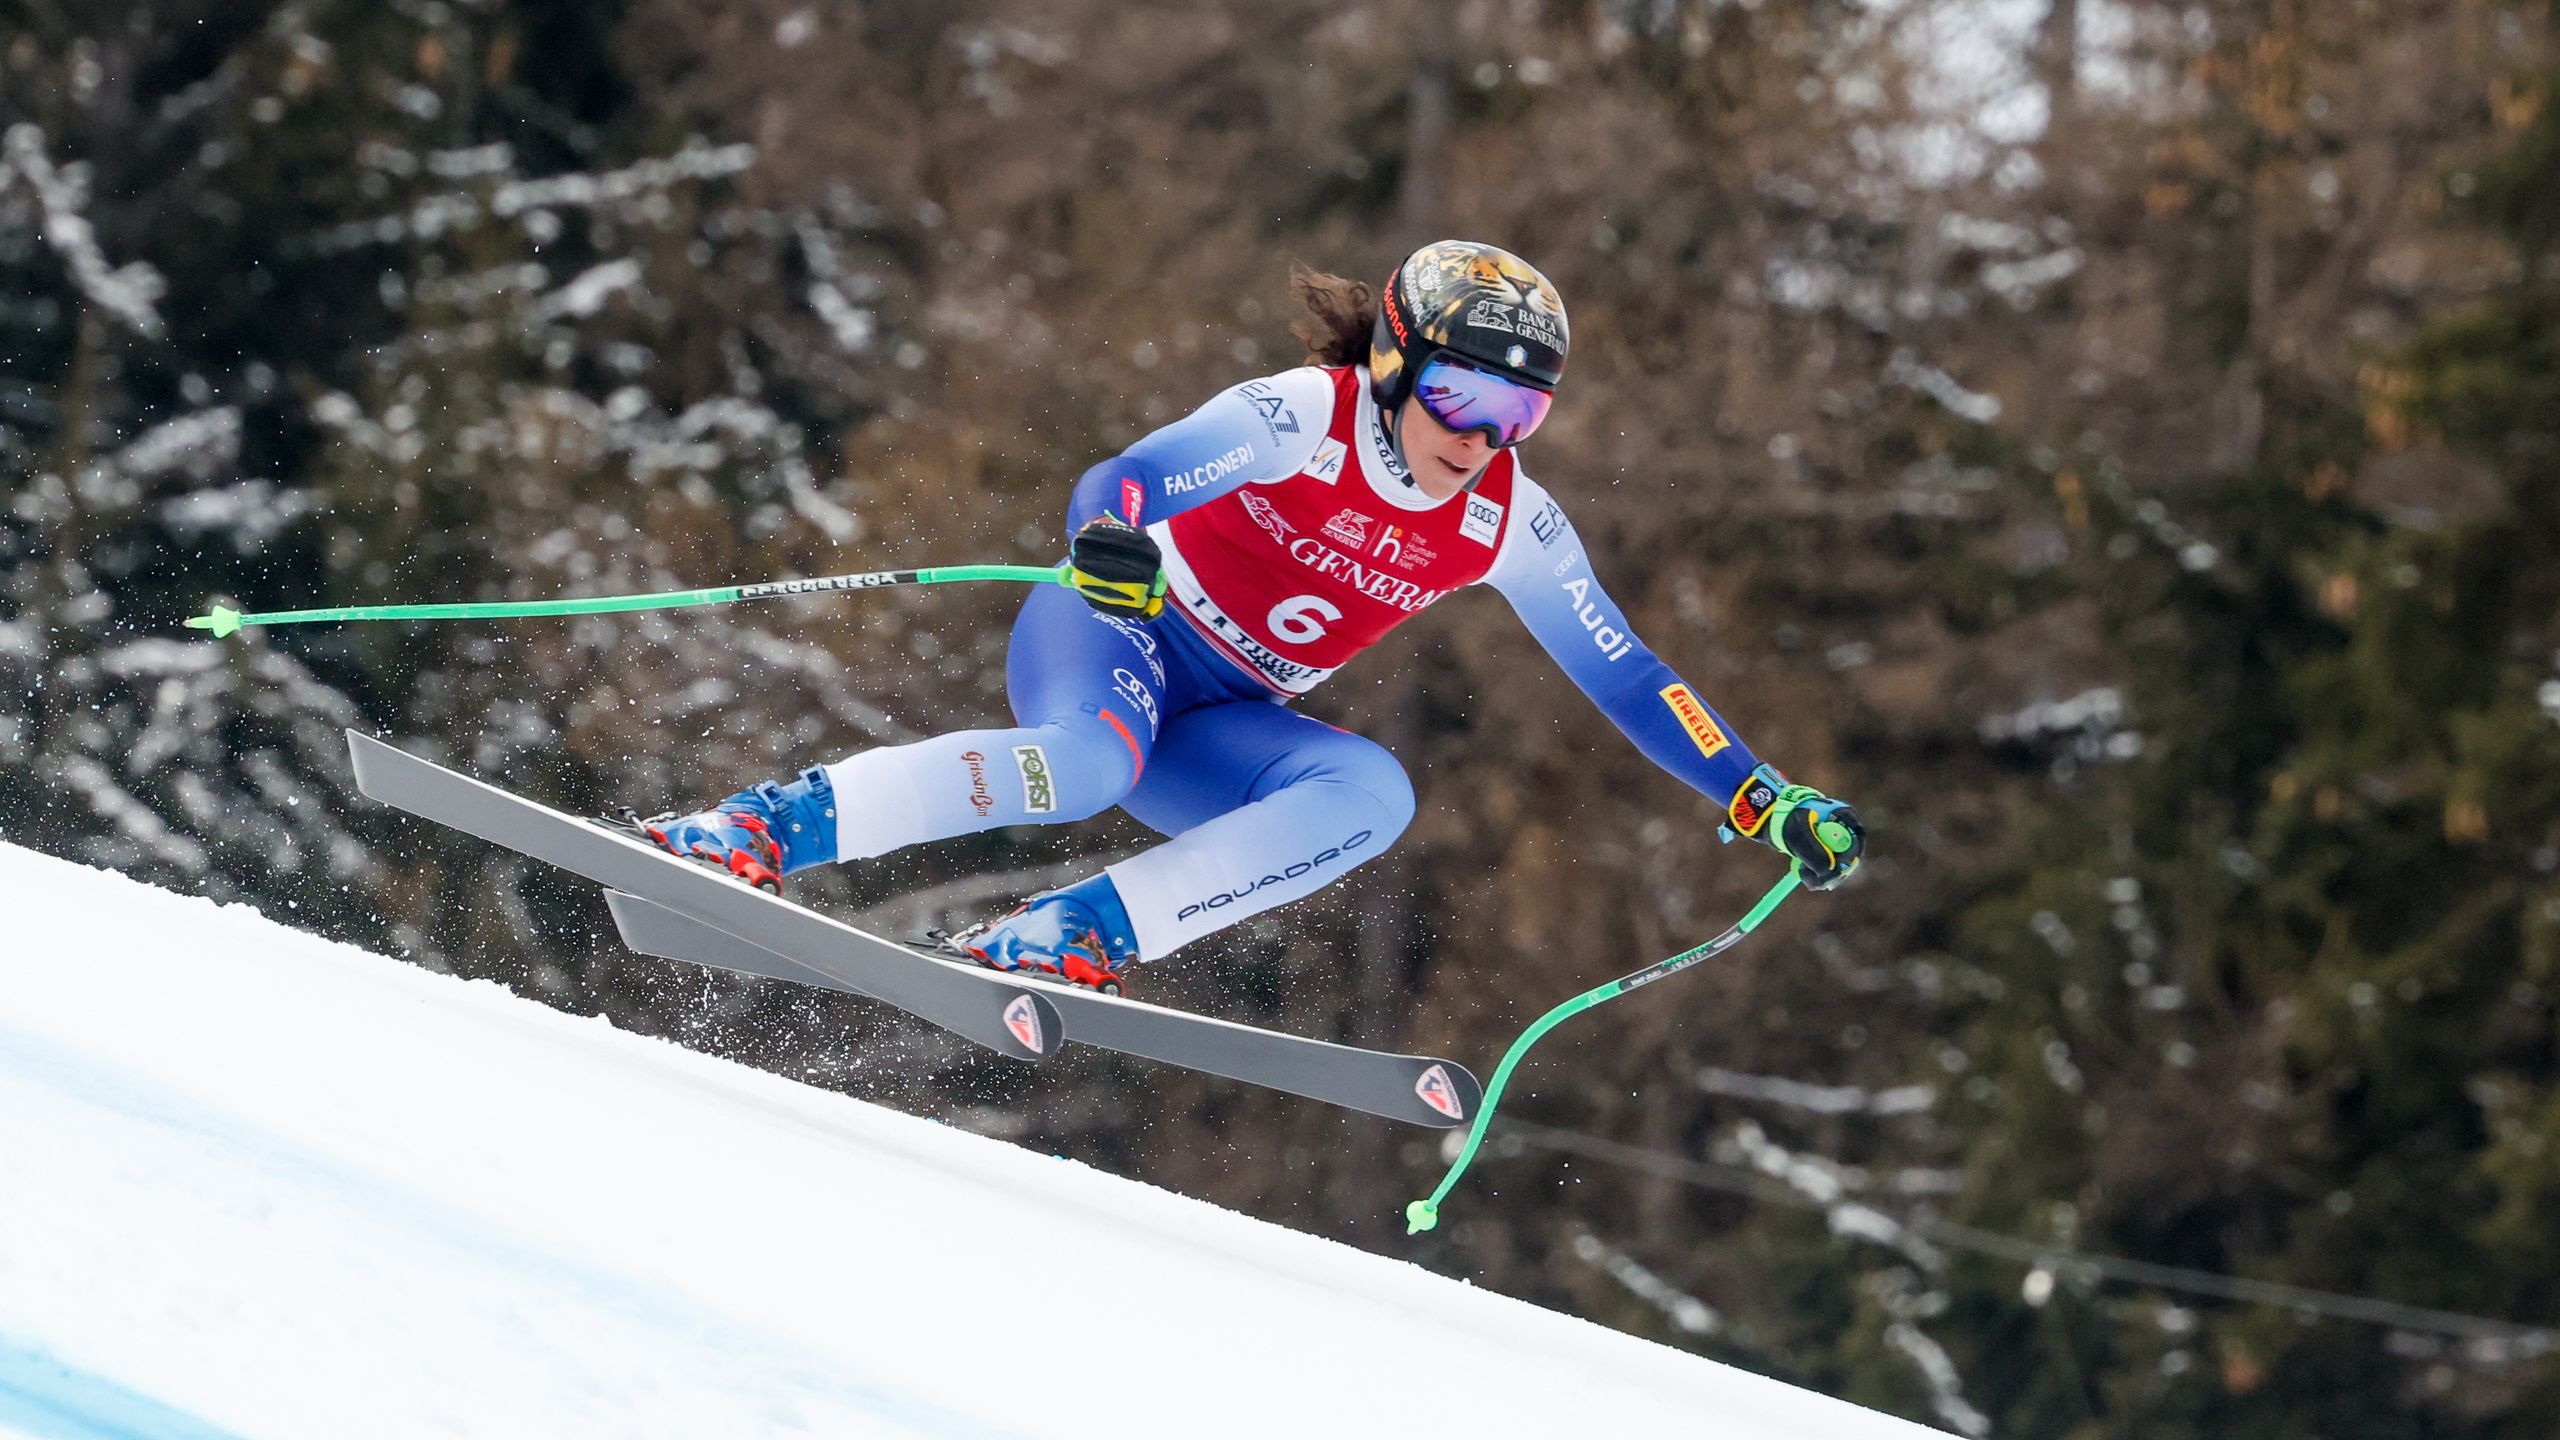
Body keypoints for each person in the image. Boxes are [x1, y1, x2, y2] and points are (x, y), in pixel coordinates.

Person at [641, 240, 1864, 993]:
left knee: (1373, 796)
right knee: (1083, 767)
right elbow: (1124, 479)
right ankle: (759, 828)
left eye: (1519, 416)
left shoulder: (1509, 522)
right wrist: (1112, 544)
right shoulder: (1303, 415)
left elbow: (1629, 674)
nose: (1480, 439)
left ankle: (1072, 931)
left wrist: (1758, 795)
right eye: (1459, 396)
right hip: (1116, 638)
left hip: (1222, 718)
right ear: (1395, 364)